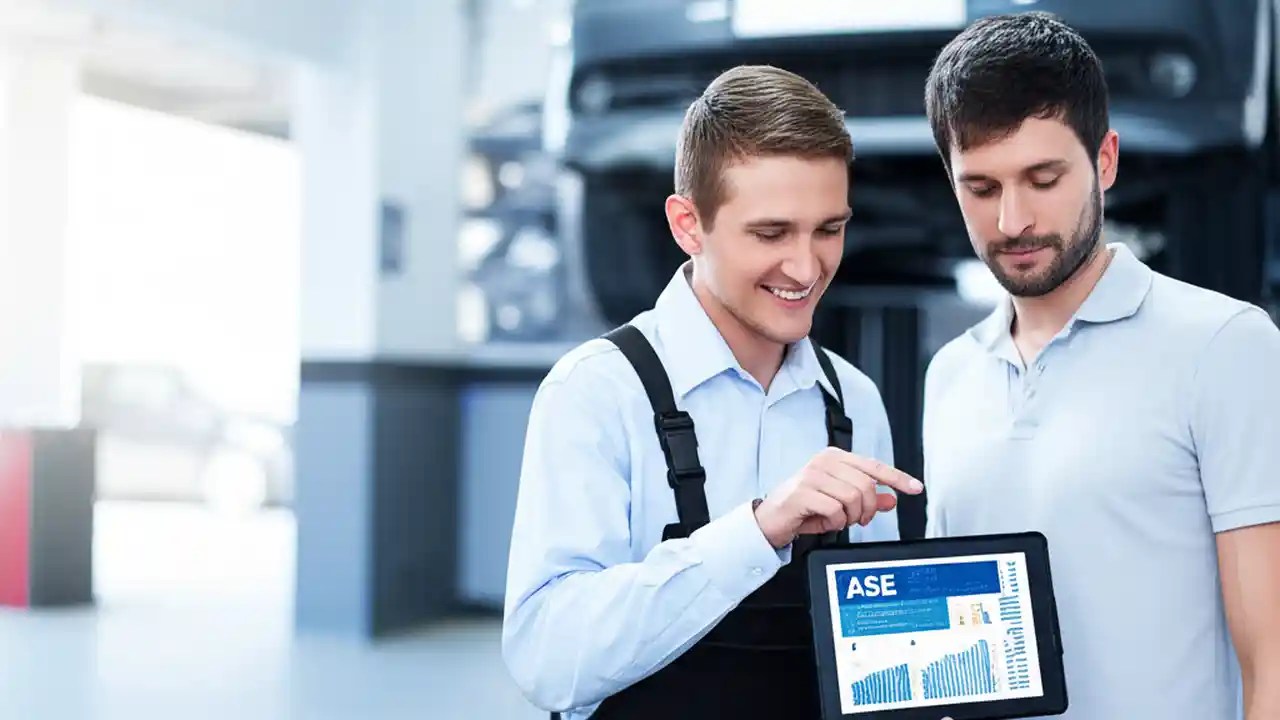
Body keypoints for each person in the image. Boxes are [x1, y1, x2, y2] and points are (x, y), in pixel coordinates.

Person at [501, 65, 926, 720]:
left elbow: (878, 665)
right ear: (687, 225)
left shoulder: (854, 402)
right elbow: (549, 663)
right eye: (771, 233)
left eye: (829, 229)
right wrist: (756, 532)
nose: (807, 267)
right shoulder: (597, 392)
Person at [921, 11, 1280, 720]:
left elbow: (1271, 657)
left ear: (1105, 161)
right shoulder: (951, 375)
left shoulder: (1226, 345)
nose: (1013, 221)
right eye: (982, 188)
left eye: (1043, 177)